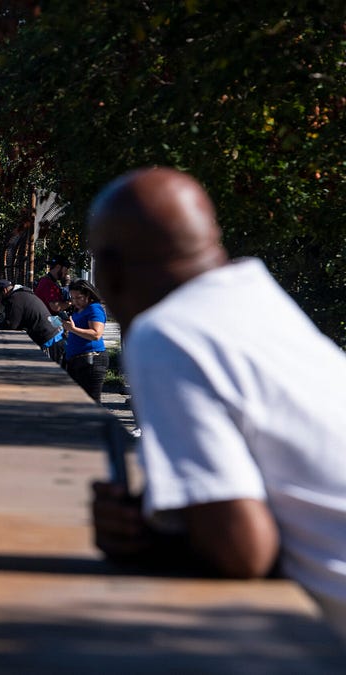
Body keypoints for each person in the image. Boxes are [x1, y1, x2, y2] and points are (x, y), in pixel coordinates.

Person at [87, 167, 346, 640]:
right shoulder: (258, 300)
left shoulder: (166, 332)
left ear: (110, 270)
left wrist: (148, 545)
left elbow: (241, 552)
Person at [0, 279, 65, 364]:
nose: (0, 300)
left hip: (50, 339)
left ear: (4, 290)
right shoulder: (22, 294)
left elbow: (11, 325)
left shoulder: (15, 299)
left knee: (49, 370)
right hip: (55, 334)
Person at [59, 278, 107, 403]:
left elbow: (96, 334)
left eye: (78, 298)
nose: (75, 301)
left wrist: (73, 329)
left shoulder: (94, 309)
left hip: (90, 360)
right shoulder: (79, 309)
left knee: (91, 402)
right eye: (73, 298)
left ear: (88, 295)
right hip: (76, 360)